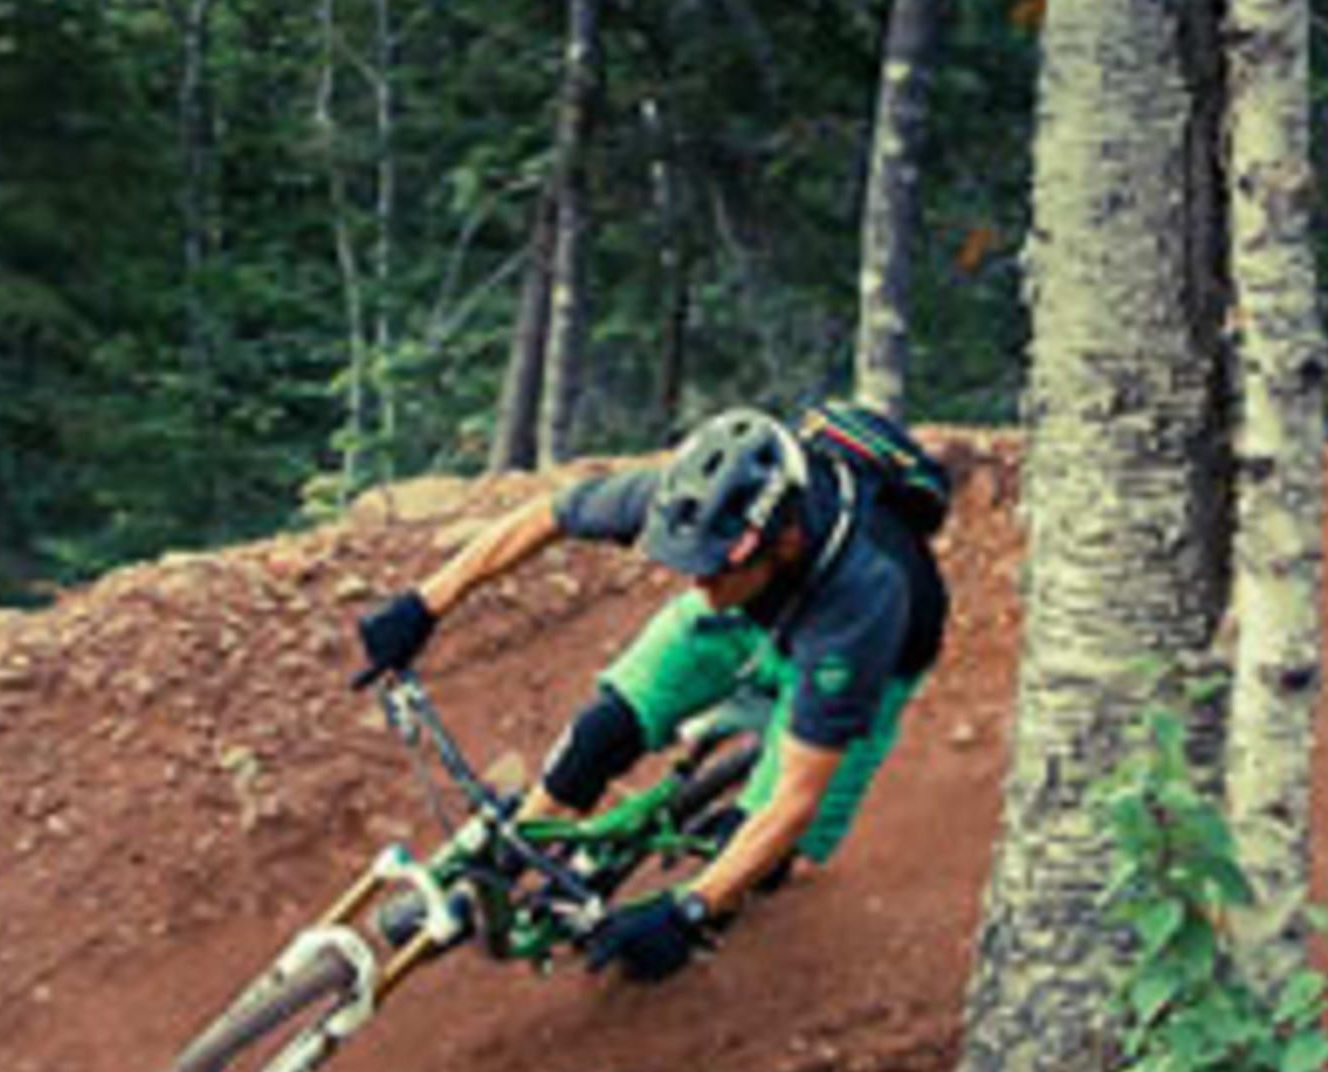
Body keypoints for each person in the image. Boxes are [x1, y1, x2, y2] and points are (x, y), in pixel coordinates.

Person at [347, 404, 952, 984]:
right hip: (749, 615)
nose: (696, 580)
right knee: (599, 735)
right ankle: (498, 866)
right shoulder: (701, 501)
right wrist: (423, 605)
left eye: (712, 567)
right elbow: (548, 516)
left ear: (784, 541)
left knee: (752, 862)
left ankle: (714, 898)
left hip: (865, 660)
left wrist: (693, 910)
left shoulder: (863, 599)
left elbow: (794, 801)